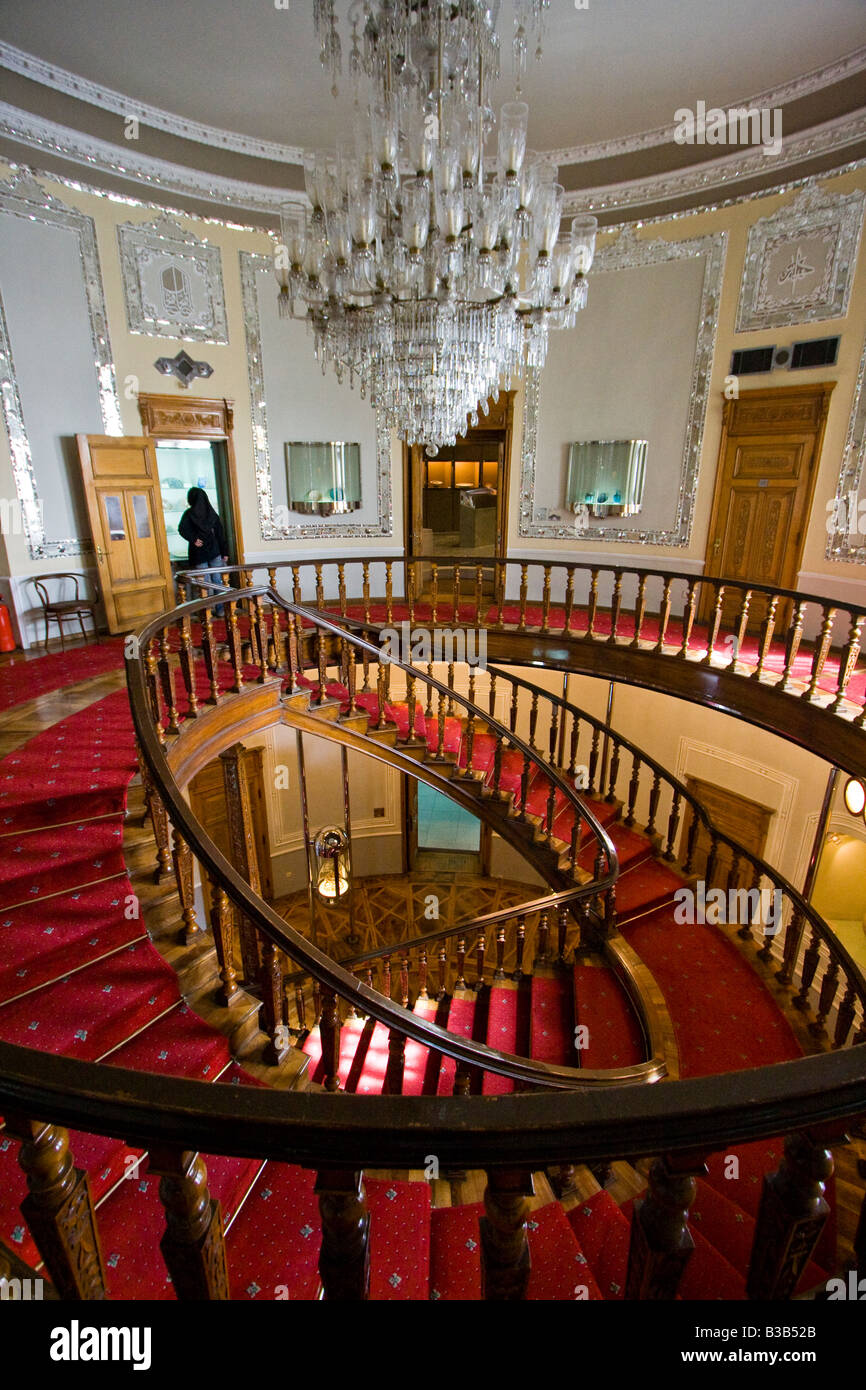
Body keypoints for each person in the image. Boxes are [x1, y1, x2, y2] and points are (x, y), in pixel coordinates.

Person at [178, 487, 228, 613]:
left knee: (203, 582)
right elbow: (220, 534)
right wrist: (225, 552)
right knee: (217, 580)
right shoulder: (211, 513)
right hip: (214, 551)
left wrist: (193, 539)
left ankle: (207, 611)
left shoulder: (189, 514)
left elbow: (182, 529)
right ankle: (220, 609)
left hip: (198, 552)